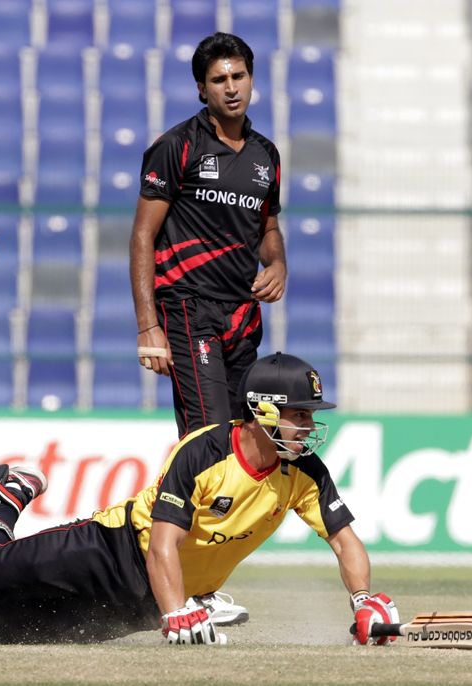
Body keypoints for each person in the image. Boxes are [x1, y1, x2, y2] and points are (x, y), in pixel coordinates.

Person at [0, 353, 397, 646]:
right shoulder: (205, 452)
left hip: (151, 598)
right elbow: (163, 543)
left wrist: (363, 600)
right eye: (300, 414)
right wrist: (178, 612)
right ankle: (13, 484)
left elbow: (345, 541)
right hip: (112, 549)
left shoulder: (305, 471)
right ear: (264, 409)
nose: (309, 425)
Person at [129, 31, 288, 626]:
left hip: (243, 316)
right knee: (207, 441)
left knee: (254, 438)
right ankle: (186, 588)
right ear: (202, 87)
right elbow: (143, 237)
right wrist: (149, 326)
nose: (231, 87)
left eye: (239, 77)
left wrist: (279, 262)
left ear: (252, 80)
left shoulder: (267, 155)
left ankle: (201, 580)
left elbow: (268, 226)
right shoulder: (176, 148)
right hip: (188, 309)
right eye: (219, 79)